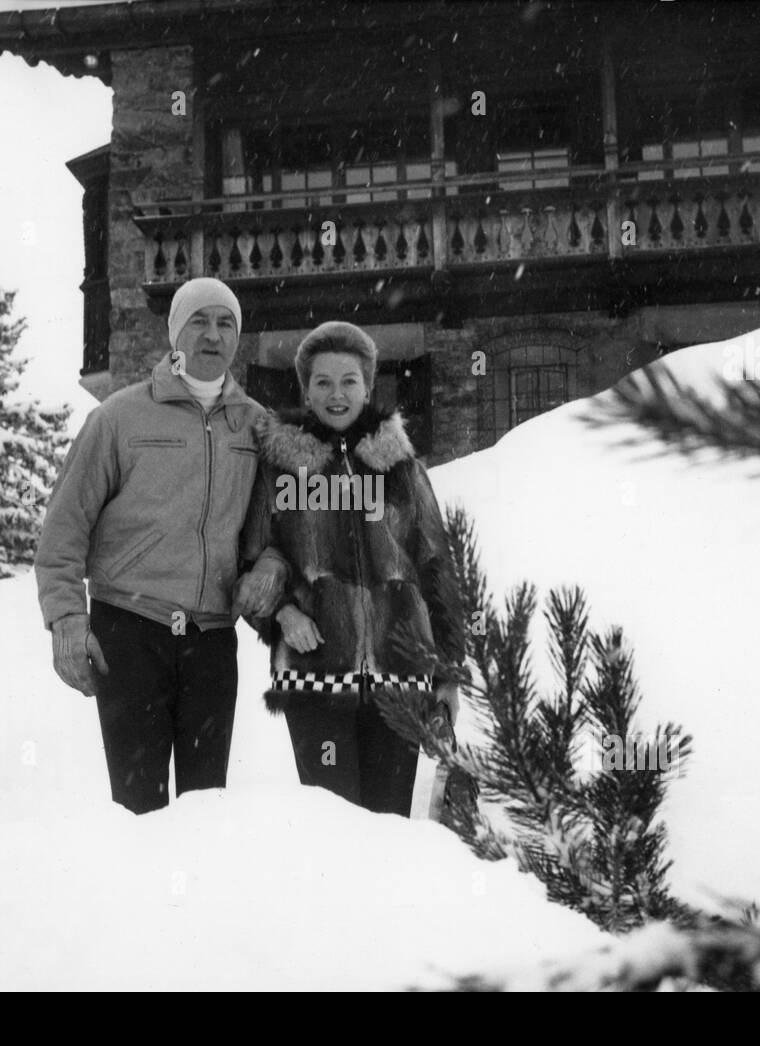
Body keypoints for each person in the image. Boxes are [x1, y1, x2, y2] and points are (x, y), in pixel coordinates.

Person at [35, 277, 284, 813]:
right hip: (129, 633)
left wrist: (269, 562)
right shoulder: (118, 418)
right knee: (137, 809)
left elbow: (278, 525)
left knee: (206, 809)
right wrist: (66, 620)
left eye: (225, 323)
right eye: (199, 321)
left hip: (211, 641)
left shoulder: (257, 426)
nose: (212, 335)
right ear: (175, 332)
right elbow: (63, 529)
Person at [239, 321, 465, 816]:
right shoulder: (282, 469)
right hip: (316, 681)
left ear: (368, 387)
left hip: (400, 683)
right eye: (322, 382)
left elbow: (438, 569)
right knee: (334, 833)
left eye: (348, 381)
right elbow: (253, 558)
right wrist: (281, 615)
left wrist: (447, 675)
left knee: (387, 830)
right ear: (305, 388)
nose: (335, 394)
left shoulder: (402, 469)